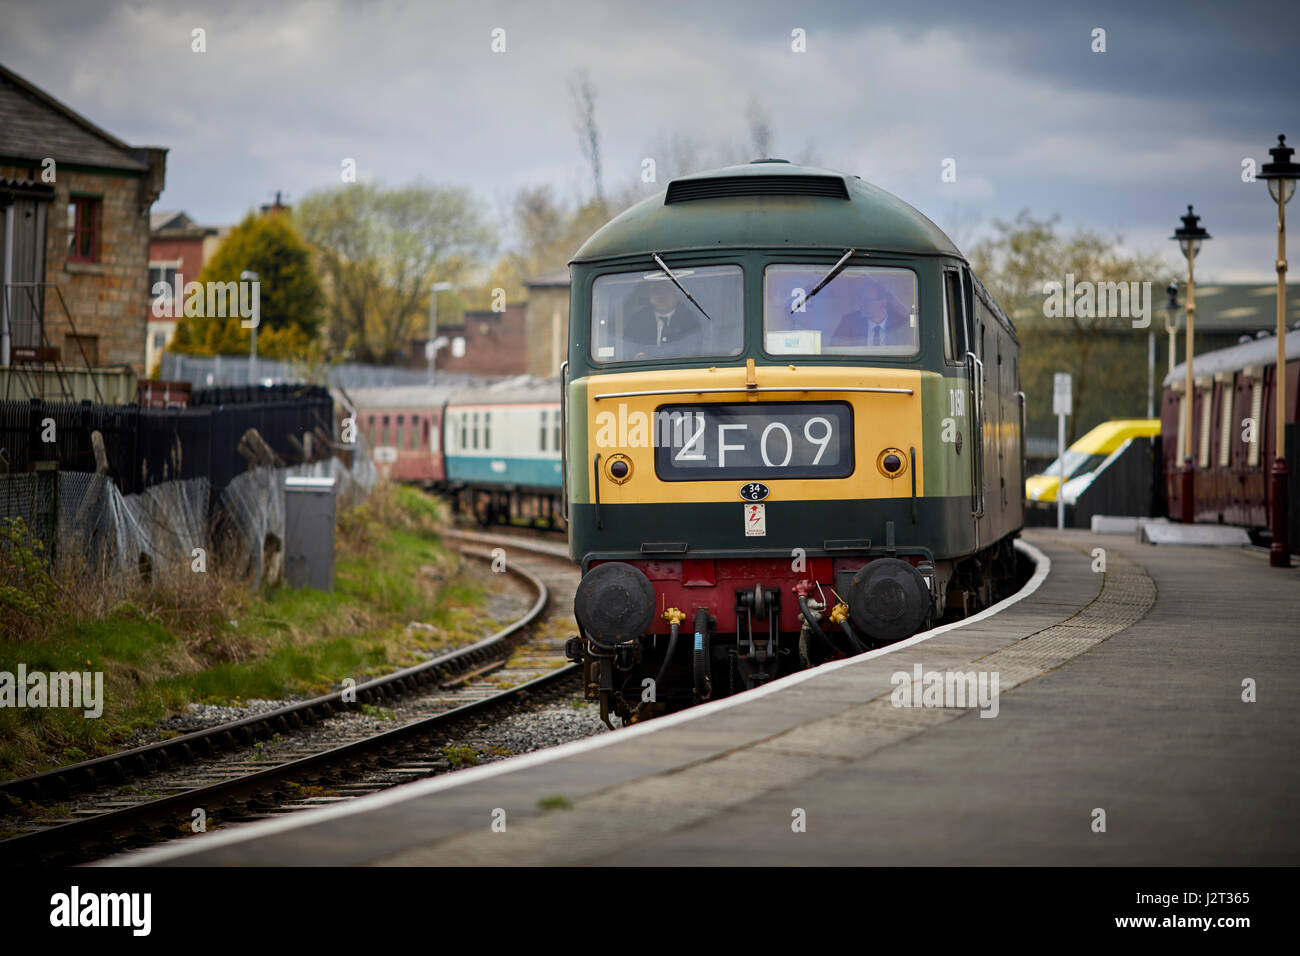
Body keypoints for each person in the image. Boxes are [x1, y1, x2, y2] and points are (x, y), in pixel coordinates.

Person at [623, 280, 703, 357]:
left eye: (667, 290)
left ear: (677, 295)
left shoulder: (690, 320)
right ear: (650, 296)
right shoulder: (637, 321)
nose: (662, 295)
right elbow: (629, 349)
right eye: (656, 290)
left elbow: (694, 350)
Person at [830, 282, 913, 348]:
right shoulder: (849, 321)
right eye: (861, 300)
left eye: (867, 300)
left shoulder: (900, 324)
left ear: (883, 302)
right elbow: (835, 348)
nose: (862, 304)